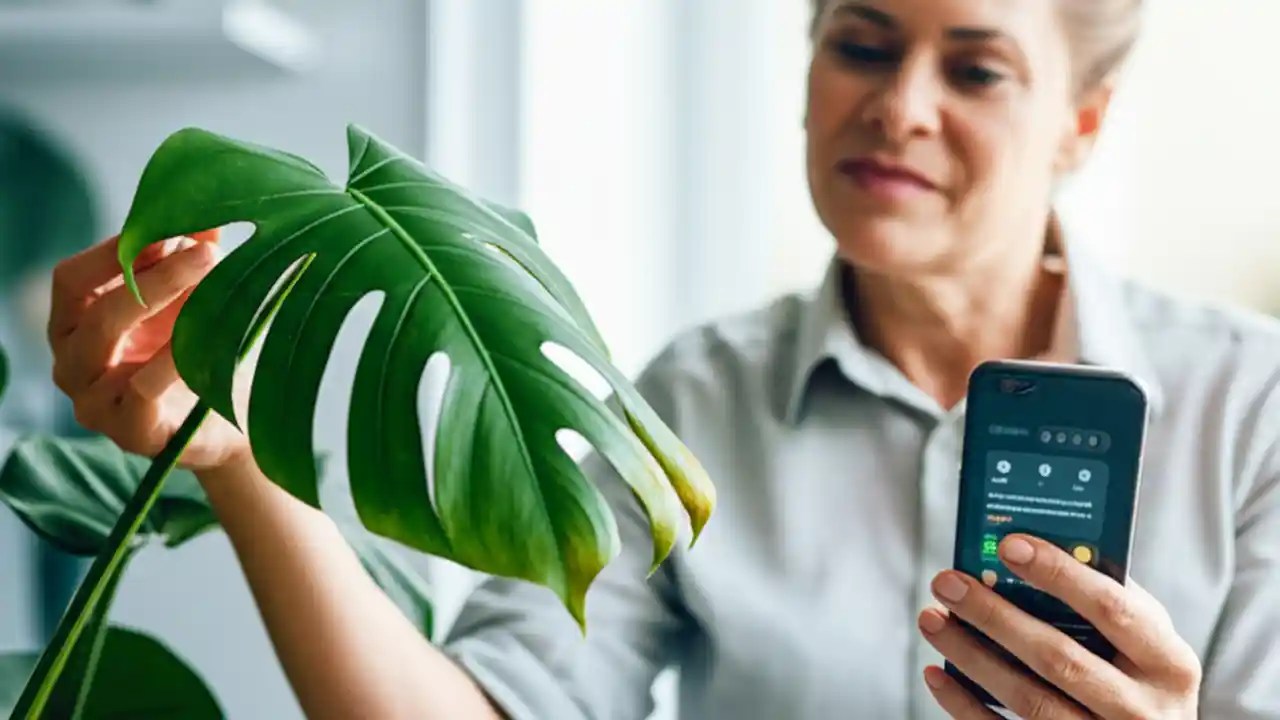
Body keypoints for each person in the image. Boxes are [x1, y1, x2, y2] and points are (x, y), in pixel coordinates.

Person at [44, 0, 1280, 718]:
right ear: (804, 69)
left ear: (1079, 125)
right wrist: (237, 460)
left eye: (974, 68)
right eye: (859, 41)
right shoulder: (694, 398)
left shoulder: (1249, 407)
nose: (899, 104)